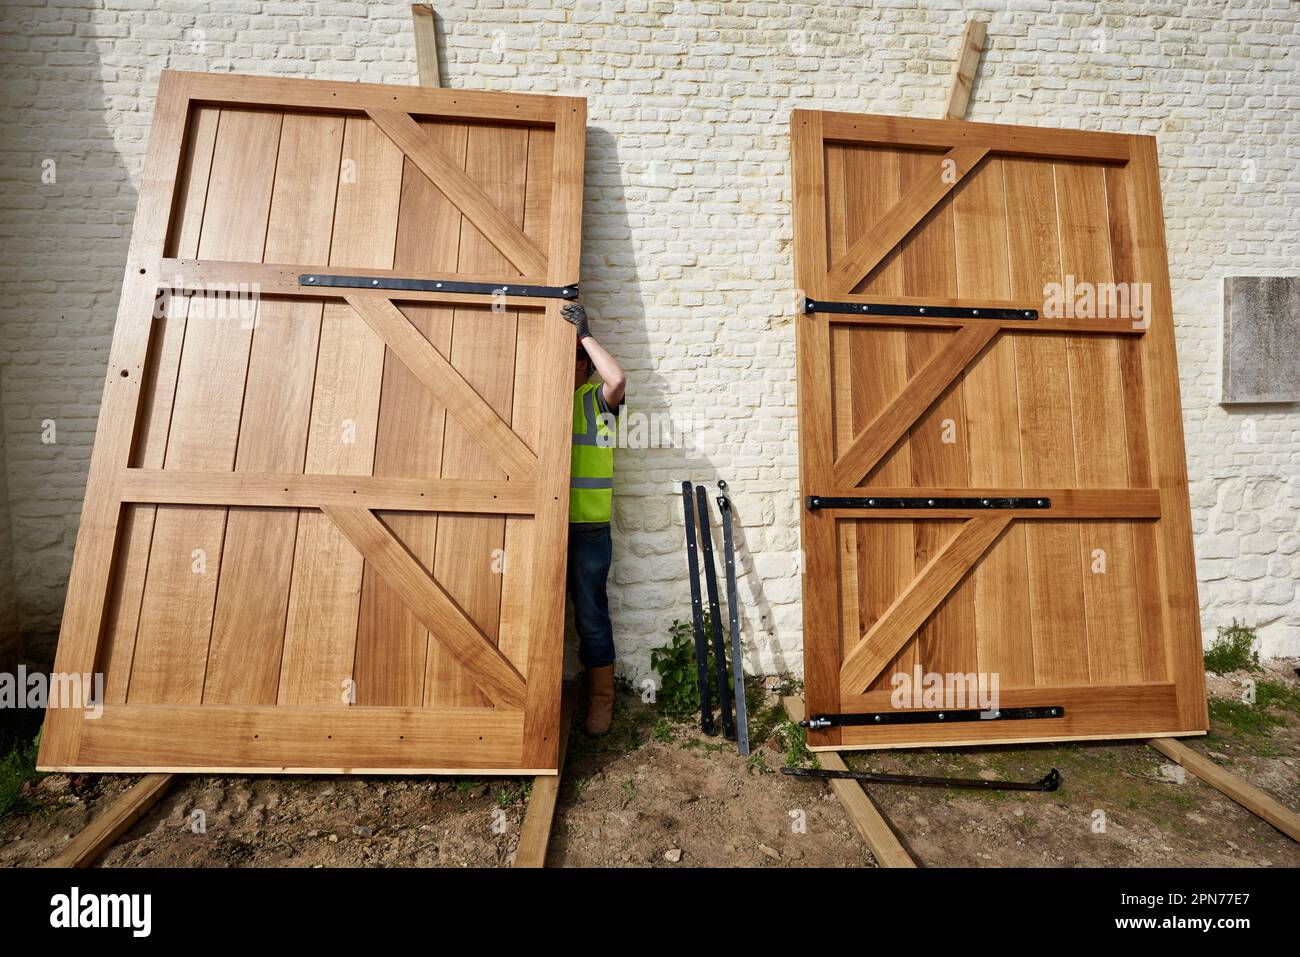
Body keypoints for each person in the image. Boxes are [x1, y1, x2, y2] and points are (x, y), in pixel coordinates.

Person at [563, 301, 625, 736]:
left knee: (590, 616)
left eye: (578, 360)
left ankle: (601, 705)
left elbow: (617, 378)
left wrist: (585, 332)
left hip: (587, 530)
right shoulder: (539, 404)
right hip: (541, 527)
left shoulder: (595, 401)